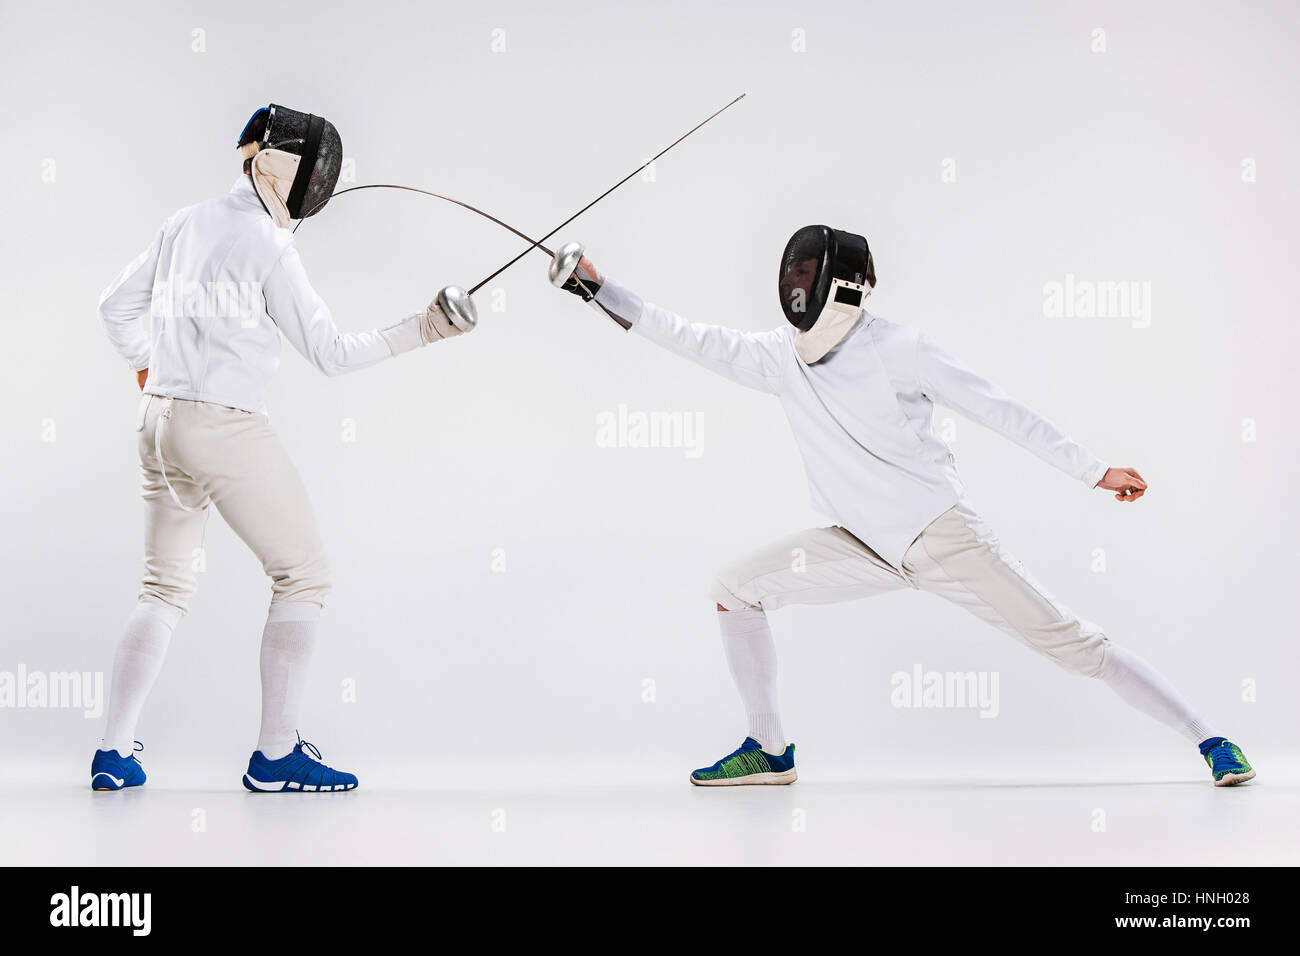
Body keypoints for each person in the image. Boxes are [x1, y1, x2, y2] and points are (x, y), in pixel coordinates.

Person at [551, 225, 1254, 788]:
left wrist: (1092, 469)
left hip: (944, 539)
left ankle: (1211, 740)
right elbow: (684, 335)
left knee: (1072, 645)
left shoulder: (900, 349)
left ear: (842, 284)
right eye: (791, 273)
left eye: (807, 273)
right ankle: (769, 750)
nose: (796, 285)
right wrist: (594, 285)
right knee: (735, 589)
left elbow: (999, 410)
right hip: (861, 544)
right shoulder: (778, 357)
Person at [92, 103, 473, 793]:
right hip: (222, 427)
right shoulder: (270, 246)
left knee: (163, 587)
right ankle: (274, 754)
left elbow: (113, 306)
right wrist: (423, 329)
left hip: (158, 423)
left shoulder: (184, 221)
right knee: (305, 575)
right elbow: (330, 355)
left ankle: (114, 754)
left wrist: (149, 371)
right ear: (281, 166)